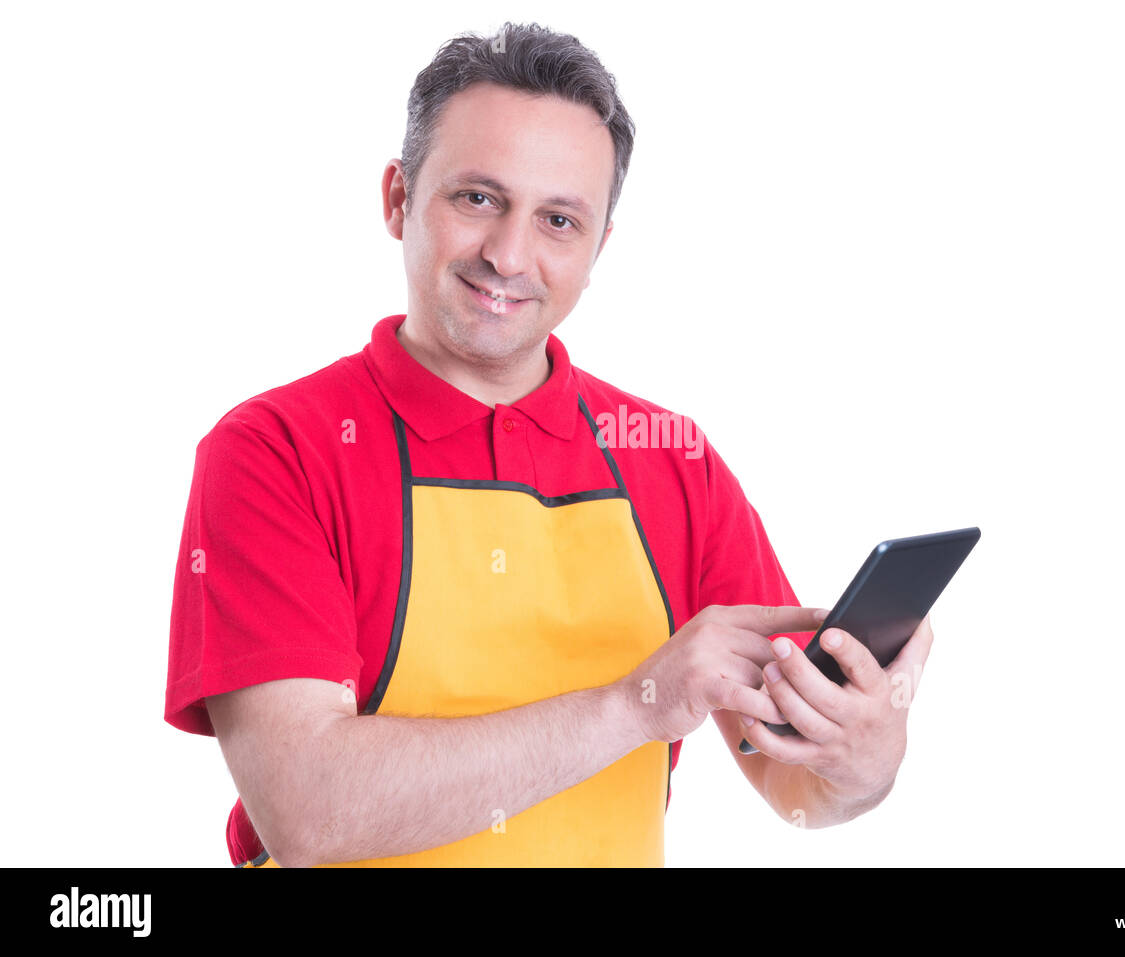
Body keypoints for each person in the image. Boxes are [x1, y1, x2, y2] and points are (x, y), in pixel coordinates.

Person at [164, 20, 934, 868]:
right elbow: (310, 812)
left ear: (599, 246)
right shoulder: (276, 451)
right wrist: (640, 702)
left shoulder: (670, 460)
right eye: (478, 198)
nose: (508, 255)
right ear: (397, 198)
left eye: (559, 219)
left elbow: (796, 785)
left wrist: (864, 756)